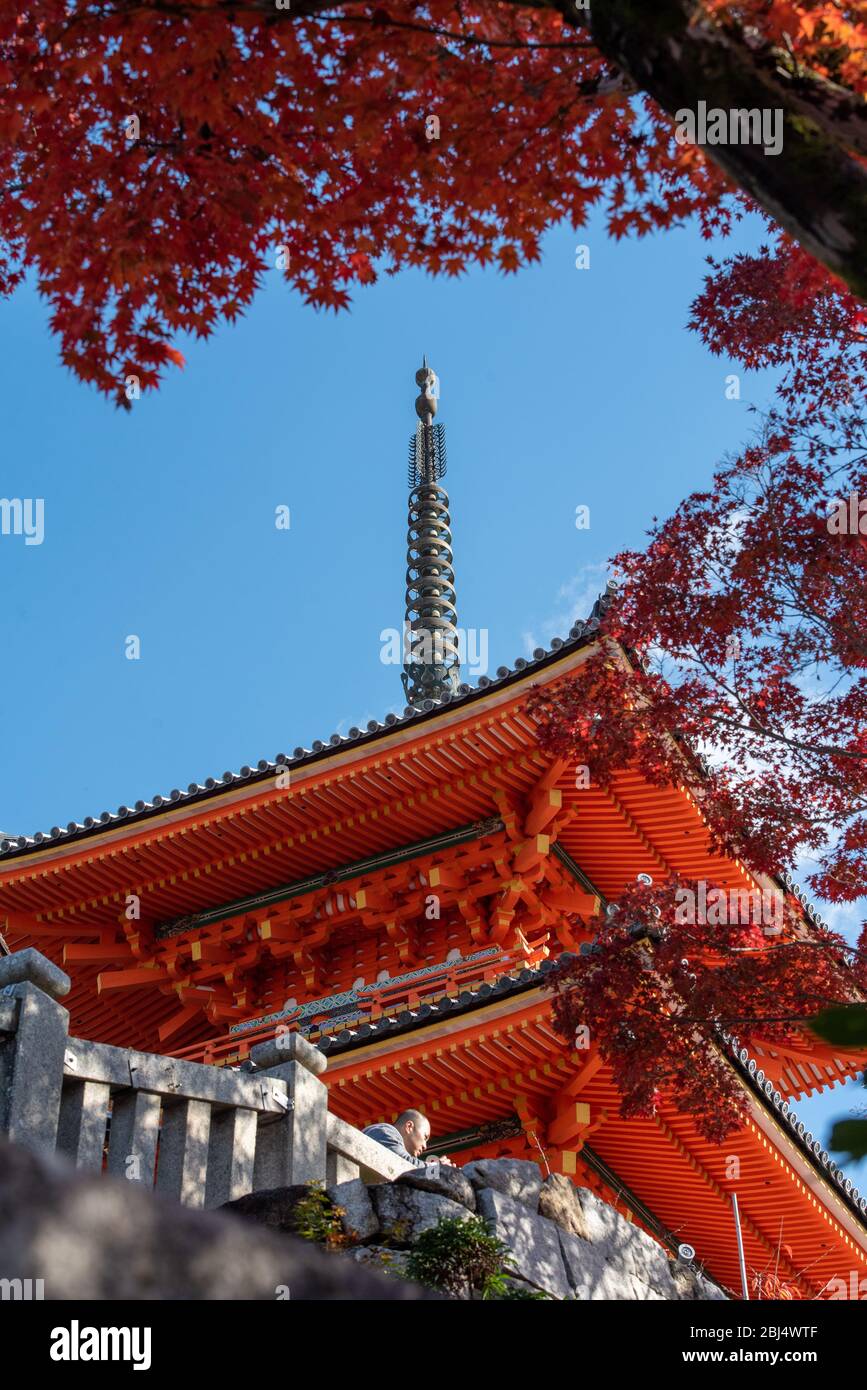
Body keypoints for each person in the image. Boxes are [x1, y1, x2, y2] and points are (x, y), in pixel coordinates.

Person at [363, 1109, 453, 1168]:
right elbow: (404, 1162)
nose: (425, 1146)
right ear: (409, 1127)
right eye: (425, 1137)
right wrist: (436, 1167)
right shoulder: (384, 1132)